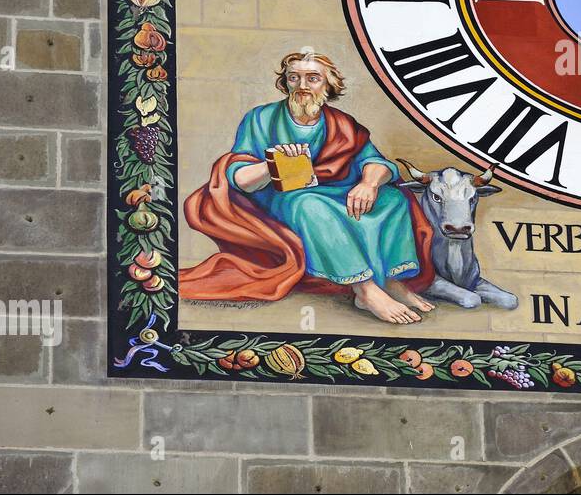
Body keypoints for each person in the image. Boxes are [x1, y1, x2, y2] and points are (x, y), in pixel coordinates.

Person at [182, 51, 433, 325]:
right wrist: (272, 165)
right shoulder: (261, 118)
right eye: (294, 78)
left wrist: (368, 183)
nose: (302, 85)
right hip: (285, 198)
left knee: (393, 199)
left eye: (312, 78)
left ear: (328, 84)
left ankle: (391, 280)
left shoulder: (342, 124)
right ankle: (366, 289)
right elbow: (238, 176)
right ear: (285, 83)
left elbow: (375, 162)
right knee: (310, 205)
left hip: (335, 190)